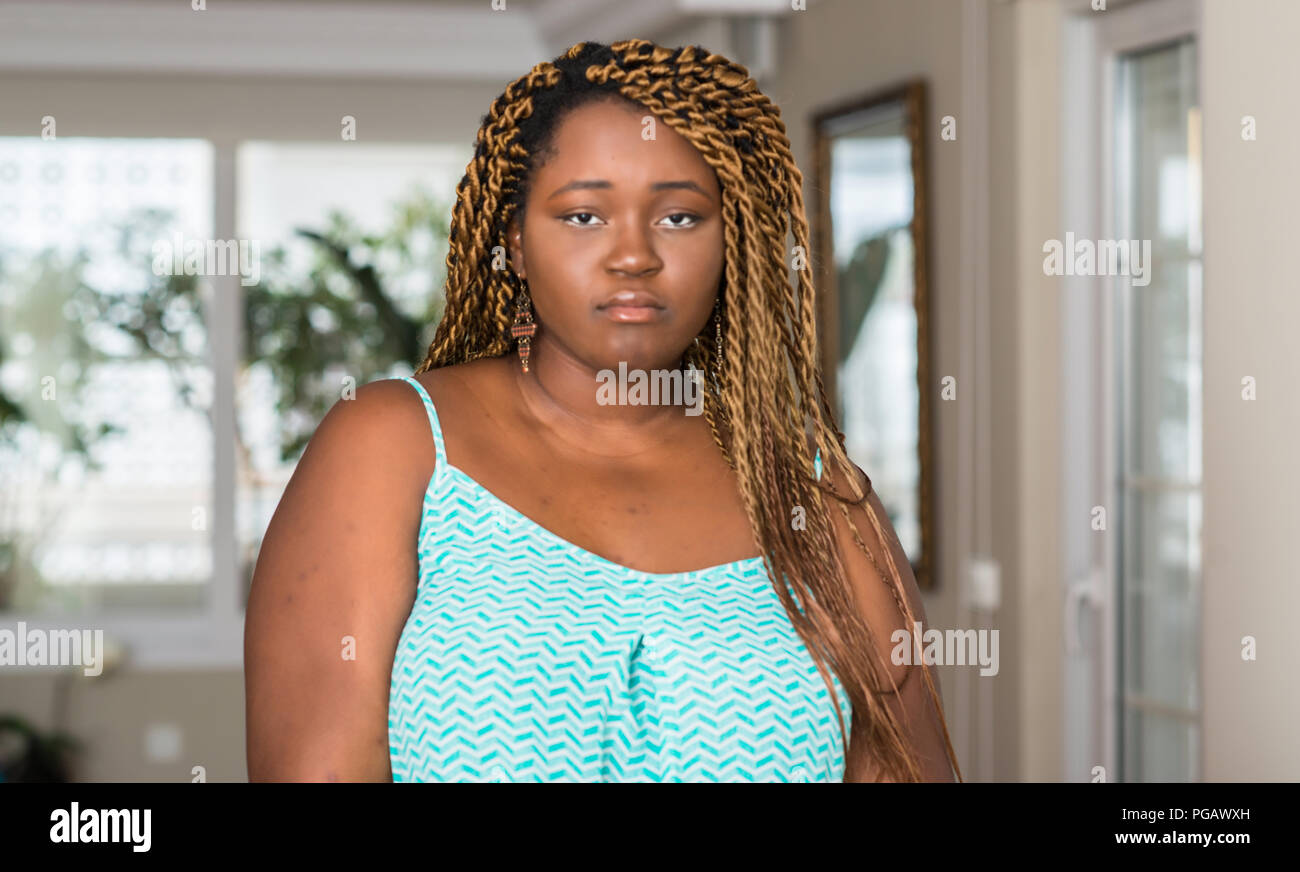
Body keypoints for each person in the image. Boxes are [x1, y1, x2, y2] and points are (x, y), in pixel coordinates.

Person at [245, 38, 961, 783]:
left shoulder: (820, 499)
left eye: (680, 217)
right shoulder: (395, 447)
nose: (634, 255)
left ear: (731, 243)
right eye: (584, 215)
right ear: (515, 244)